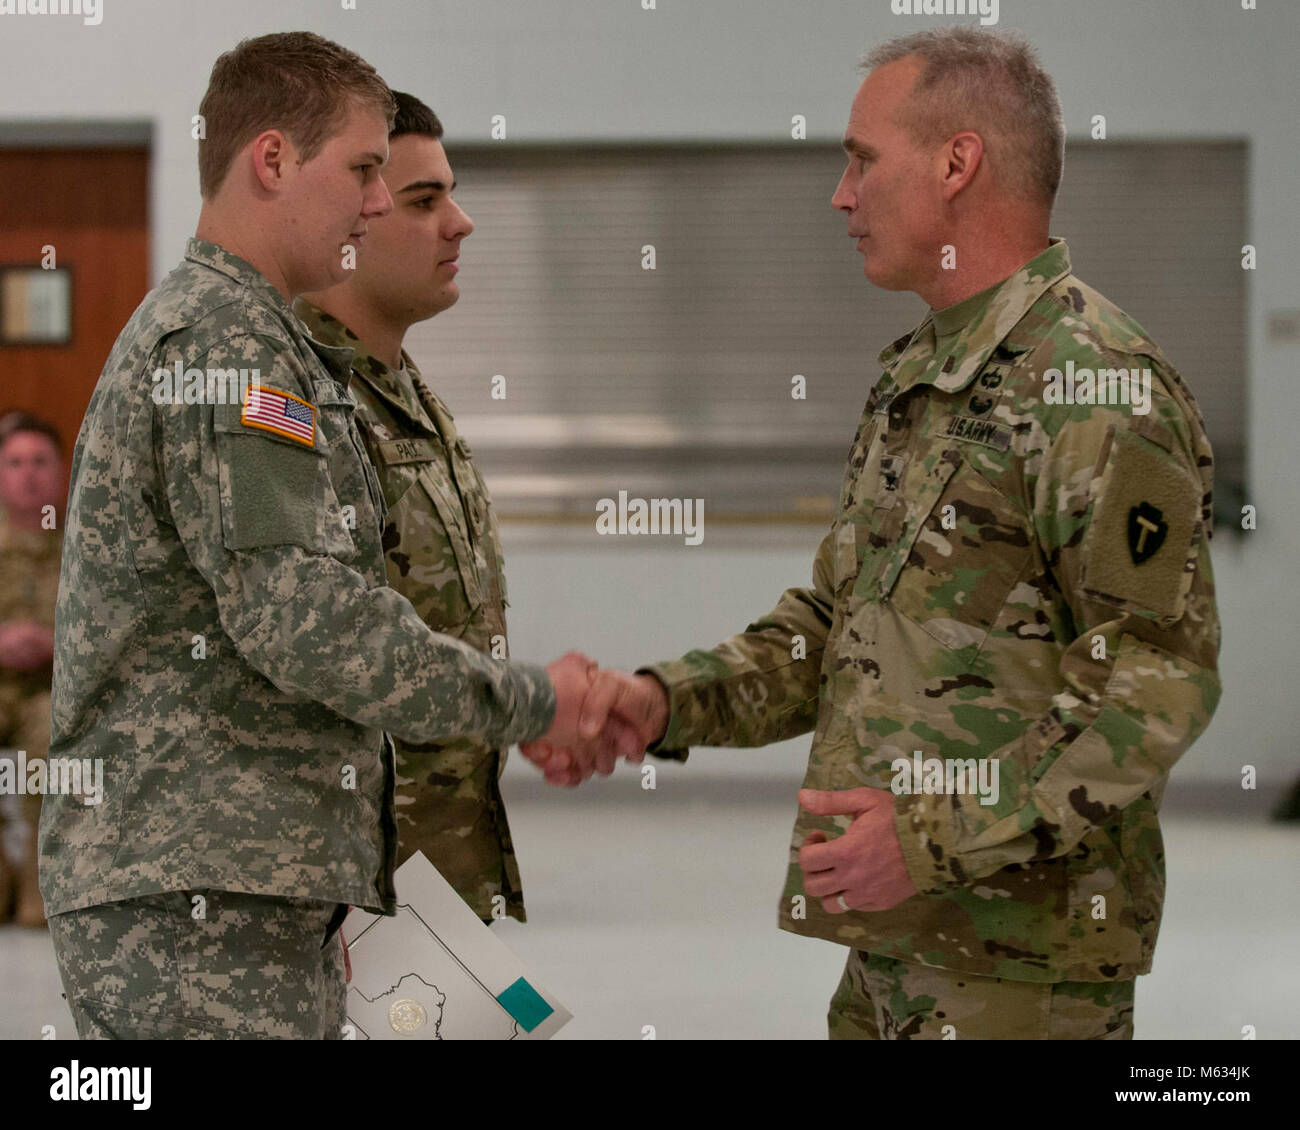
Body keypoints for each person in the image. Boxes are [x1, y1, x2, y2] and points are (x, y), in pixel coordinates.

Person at [527, 27, 1222, 1040]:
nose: (839, 195)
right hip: (895, 950)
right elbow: (834, 628)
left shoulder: (1095, 385)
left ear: (957, 163)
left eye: (860, 158)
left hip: (1017, 972)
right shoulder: (918, 375)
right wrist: (657, 701)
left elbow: (1155, 682)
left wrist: (932, 836)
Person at [42, 31, 643, 1040]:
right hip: (201, 900)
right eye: (365, 169)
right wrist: (536, 697)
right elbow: (303, 615)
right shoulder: (228, 345)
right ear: (272, 160)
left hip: (237, 884)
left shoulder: (255, 334)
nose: (377, 200)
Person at [296, 92, 591, 925]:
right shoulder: (295, 396)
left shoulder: (398, 385)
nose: (460, 223)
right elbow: (323, 639)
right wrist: (541, 701)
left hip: (432, 879)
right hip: (341, 893)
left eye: (450, 195)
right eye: (426, 202)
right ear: (352, 219)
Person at [0, 412, 63, 928]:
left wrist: (53, 641)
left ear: (61, 471)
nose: (28, 474)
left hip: (53, 691)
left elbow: (117, 630)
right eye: (15, 462)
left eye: (40, 461)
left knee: (48, 733)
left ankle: (37, 887)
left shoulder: (86, 547)